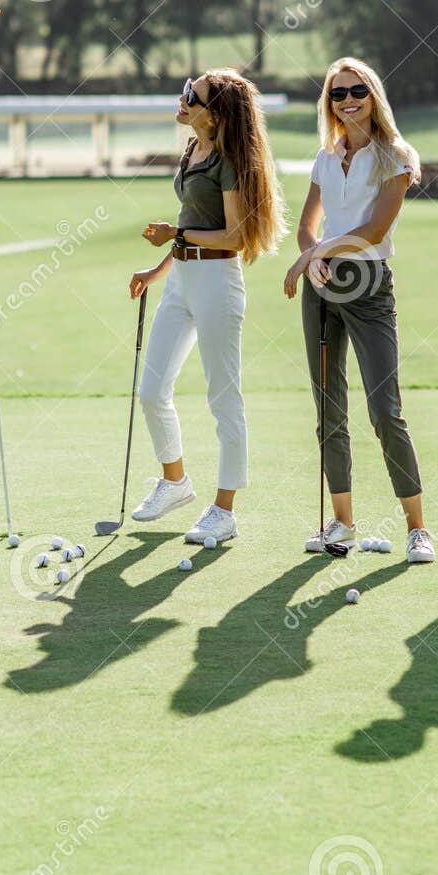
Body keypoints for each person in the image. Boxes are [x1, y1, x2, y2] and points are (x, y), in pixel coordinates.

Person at [284, 57, 434, 563]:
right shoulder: (326, 157)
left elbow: (374, 230)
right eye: (337, 93)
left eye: (357, 91)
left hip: (369, 287)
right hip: (322, 286)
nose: (347, 101)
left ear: (373, 96)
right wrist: (312, 260)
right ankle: (343, 523)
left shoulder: (396, 155)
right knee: (328, 409)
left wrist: (312, 255)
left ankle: (417, 528)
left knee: (384, 411)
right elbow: (308, 225)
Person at [127, 69, 285, 545]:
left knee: (223, 398)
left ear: (214, 116)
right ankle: (175, 482)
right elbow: (189, 222)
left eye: (191, 97)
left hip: (217, 281)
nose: (182, 100)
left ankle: (224, 509)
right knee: (152, 391)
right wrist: (159, 269)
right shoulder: (192, 148)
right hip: (181, 278)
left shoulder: (231, 162)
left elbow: (235, 236)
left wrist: (176, 237)